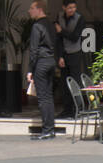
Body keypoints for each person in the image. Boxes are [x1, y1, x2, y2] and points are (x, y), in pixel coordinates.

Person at [26, 0, 64, 140]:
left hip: (41, 63)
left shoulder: (37, 26)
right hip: (51, 62)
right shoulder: (50, 25)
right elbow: (57, 42)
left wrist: (30, 70)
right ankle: (50, 128)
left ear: (39, 9)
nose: (29, 11)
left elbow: (34, 49)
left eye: (32, 8)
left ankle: (47, 129)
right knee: (48, 97)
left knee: (43, 98)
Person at [56, 1, 87, 118]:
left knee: (75, 82)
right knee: (64, 83)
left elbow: (75, 37)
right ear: (64, 8)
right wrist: (59, 56)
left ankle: (77, 109)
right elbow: (58, 39)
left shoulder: (80, 18)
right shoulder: (59, 17)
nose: (72, 10)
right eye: (69, 8)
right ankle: (67, 109)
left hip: (75, 53)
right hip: (64, 54)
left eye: (74, 7)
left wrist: (61, 31)